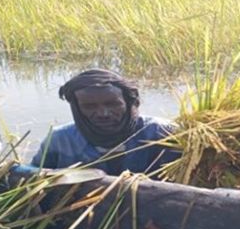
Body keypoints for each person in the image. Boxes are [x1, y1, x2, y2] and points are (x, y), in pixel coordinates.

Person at [30, 69, 179, 177]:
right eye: (89, 106)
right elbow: (32, 178)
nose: (103, 114)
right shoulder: (60, 140)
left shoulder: (163, 133)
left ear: (131, 103)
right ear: (76, 108)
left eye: (113, 104)